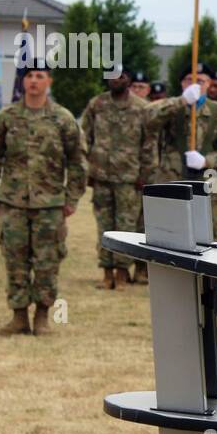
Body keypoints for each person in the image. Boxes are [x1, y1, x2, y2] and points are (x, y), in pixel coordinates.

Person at [0, 57, 86, 335]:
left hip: (50, 204)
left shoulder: (62, 120)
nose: (34, 81)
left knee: (47, 262)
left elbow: (77, 162)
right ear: (23, 82)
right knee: (15, 260)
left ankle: (42, 317)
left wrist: (71, 199)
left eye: (40, 76)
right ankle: (18, 317)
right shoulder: (7, 118)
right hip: (13, 202)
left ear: (49, 81)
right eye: (29, 76)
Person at [143, 66, 217, 241]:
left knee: (210, 238)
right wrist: (181, 101)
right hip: (173, 181)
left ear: (209, 84)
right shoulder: (170, 107)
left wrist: (208, 161)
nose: (195, 85)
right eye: (189, 80)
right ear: (182, 83)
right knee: (170, 237)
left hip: (211, 179)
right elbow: (148, 120)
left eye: (200, 81)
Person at [79, 67, 154, 289]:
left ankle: (122, 273)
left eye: (120, 76)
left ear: (128, 79)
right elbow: (85, 137)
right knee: (104, 225)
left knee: (126, 226)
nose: (115, 80)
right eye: (111, 76)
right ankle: (107, 272)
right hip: (101, 176)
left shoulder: (142, 108)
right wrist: (88, 169)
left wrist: (145, 174)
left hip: (129, 179)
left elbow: (149, 145)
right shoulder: (96, 104)